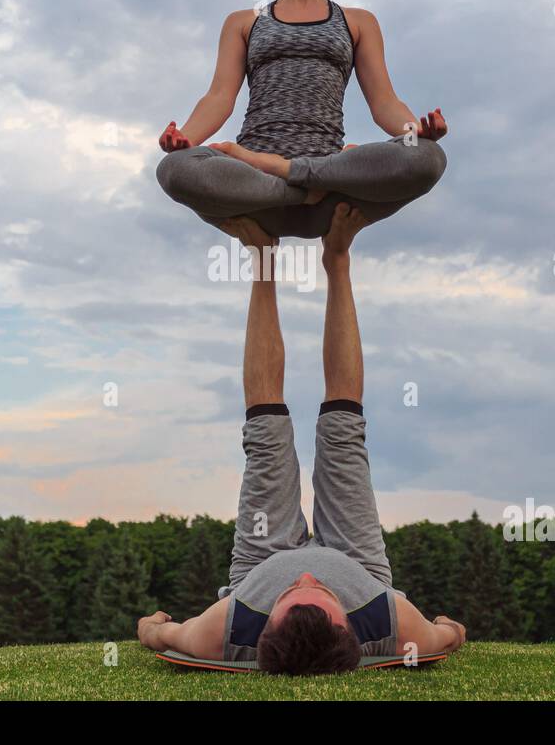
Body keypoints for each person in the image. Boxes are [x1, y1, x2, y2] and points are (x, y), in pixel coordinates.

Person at [136, 204, 466, 674]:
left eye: (294, 591)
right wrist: (451, 628)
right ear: (350, 626)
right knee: (343, 432)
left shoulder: (224, 632)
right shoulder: (392, 624)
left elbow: (160, 637)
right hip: (359, 564)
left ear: (264, 626)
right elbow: (448, 637)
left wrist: (152, 622)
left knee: (266, 434)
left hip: (259, 562)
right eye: (322, 591)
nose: (307, 573)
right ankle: (338, 259)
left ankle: (264, 259)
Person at [156, 0, 448, 240]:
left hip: (331, 194)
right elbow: (219, 96)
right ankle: (295, 184)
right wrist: (186, 138)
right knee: (174, 169)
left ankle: (297, 173)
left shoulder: (358, 22)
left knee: (428, 158)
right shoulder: (244, 22)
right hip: (253, 184)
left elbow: (384, 101)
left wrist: (415, 131)